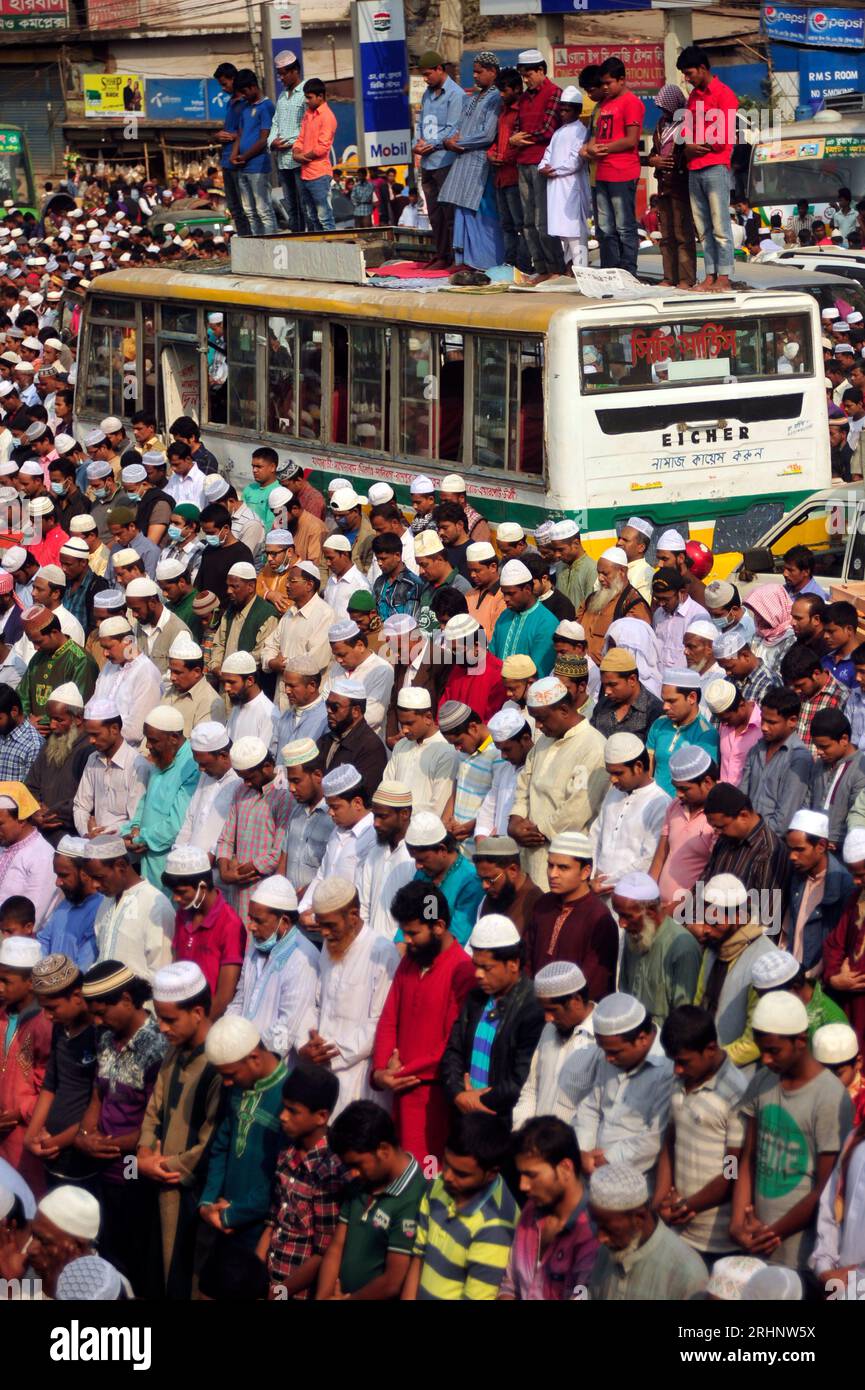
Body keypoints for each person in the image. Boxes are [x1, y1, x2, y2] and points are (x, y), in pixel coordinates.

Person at [732, 991, 852, 1268]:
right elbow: (745, 1159)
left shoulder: (829, 1097)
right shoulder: (763, 1082)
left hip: (799, 1255)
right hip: (755, 1242)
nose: (766, 1060)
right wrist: (737, 1220)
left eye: (774, 1051)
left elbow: (825, 1188)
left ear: (801, 1041)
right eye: (762, 1051)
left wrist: (773, 1232)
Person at [77, 961, 165, 1293]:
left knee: (134, 1249)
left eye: (102, 1012)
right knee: (108, 1246)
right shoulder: (105, 1038)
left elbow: (155, 1121)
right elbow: (98, 1095)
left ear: (127, 999)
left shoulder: (157, 1046)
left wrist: (113, 1145)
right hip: (102, 1162)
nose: (97, 1022)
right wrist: (86, 1136)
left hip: (131, 1166)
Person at [372, 881, 475, 1163]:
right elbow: (389, 1017)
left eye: (413, 932)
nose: (405, 940)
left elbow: (451, 1043)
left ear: (438, 926)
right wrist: (381, 1071)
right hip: (399, 1093)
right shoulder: (411, 961)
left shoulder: (462, 971)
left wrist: (400, 1072)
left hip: (433, 1101)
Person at [137, 961, 221, 1299]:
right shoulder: (174, 1051)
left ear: (198, 1012)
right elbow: (154, 1108)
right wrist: (142, 1156)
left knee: (189, 1280)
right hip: (159, 1182)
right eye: (159, 1017)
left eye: (170, 1019)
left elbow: (210, 1141)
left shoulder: (219, 1062)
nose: (162, 1027)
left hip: (191, 1190)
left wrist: (162, 1167)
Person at [656, 1004, 748, 1261]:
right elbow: (670, 1141)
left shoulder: (736, 1093)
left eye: (683, 1062)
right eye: (673, 1061)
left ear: (710, 1049)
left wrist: (689, 1206)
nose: (676, 1070)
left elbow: (733, 1168)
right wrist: (661, 1199)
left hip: (716, 1242)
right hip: (677, 1232)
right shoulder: (679, 1081)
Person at [442, 914, 544, 1129]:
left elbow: (520, 1078)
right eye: (475, 966)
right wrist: (459, 1094)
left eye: (486, 968)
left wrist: (478, 1102)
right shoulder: (475, 998)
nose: (478, 975)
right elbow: (454, 1051)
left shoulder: (533, 1009)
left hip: (502, 1122)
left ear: (513, 963)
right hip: (466, 1116)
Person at [317, 1101, 428, 1300]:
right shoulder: (362, 1182)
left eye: (357, 1164)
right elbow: (336, 1247)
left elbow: (393, 1282)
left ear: (383, 1150)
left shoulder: (414, 1197)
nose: (353, 1172)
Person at [256, 1059, 346, 1299]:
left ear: (321, 1116)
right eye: (283, 1108)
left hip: (298, 1291)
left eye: (293, 1111)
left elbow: (324, 1252)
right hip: (271, 1281)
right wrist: (254, 1275)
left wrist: (281, 1292)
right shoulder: (286, 1155)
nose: (283, 1117)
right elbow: (273, 1221)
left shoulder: (330, 1171)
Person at [402, 1112, 516, 1301]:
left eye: (461, 1174)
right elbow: (418, 1257)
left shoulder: (496, 1227)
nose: (447, 1176)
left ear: (491, 1173)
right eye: (446, 1164)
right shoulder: (439, 1185)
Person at [509, 675, 608, 890]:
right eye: (534, 718)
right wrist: (515, 821)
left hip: (562, 859)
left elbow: (577, 808)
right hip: (529, 853)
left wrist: (539, 832)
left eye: (542, 718)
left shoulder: (593, 747)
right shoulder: (544, 741)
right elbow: (524, 783)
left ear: (563, 710)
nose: (538, 725)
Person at [199, 1016, 288, 1250]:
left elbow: (282, 1175)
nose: (227, 1083)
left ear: (254, 1058)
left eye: (231, 1075)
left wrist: (234, 1214)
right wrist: (208, 1203)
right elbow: (221, 1146)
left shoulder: (289, 1097)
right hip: (221, 1214)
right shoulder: (237, 1087)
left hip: (261, 1229)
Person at [574, 992, 675, 1175]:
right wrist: (584, 1152)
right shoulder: (611, 1055)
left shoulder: (669, 1069)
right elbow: (590, 1108)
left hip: (635, 1182)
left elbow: (655, 1137)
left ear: (642, 1039)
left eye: (615, 1052)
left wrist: (607, 1160)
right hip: (593, 1173)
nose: (608, 1059)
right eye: (604, 1051)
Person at [499, 1116, 599, 1300]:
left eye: (531, 1175)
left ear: (565, 1168)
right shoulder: (531, 1210)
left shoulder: (592, 1233)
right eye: (521, 1175)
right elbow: (509, 1287)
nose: (523, 1186)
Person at [226, 874, 319, 1060]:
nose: (251, 927)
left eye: (258, 921)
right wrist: (226, 1036)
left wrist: (248, 1055)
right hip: (241, 1058)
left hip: (271, 1066)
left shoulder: (302, 958)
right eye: (250, 918)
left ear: (284, 922)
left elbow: (285, 1029)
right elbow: (239, 1000)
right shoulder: (257, 946)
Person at [692, 871, 778, 1069]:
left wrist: (713, 1061)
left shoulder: (765, 962)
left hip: (740, 1079)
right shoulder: (713, 949)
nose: (705, 929)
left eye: (714, 923)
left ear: (738, 917)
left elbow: (755, 1040)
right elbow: (698, 1004)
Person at [587, 1161, 707, 1300]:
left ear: (639, 1218)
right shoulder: (606, 1250)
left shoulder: (688, 1274)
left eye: (609, 1229)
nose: (601, 1238)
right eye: (596, 1225)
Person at [677, 46, 738, 292]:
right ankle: (710, 275)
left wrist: (693, 144)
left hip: (715, 167)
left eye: (689, 73)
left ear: (702, 69)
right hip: (695, 167)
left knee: (720, 225)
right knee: (703, 228)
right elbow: (685, 130)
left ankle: (724, 275)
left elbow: (722, 138)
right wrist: (688, 146)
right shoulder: (693, 97)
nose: (687, 78)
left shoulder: (725, 94)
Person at [161, 846, 245, 1020]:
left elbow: (224, 997)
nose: (175, 898)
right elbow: (177, 967)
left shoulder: (230, 924)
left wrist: (198, 1030)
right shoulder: (183, 915)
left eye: (181, 892)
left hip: (209, 1024)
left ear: (202, 886)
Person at [120, 706, 200, 890]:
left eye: (153, 740)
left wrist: (142, 839)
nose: (147, 745)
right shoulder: (164, 755)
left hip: (166, 860)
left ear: (173, 738)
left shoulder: (191, 766)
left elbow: (176, 824)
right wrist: (134, 828)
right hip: (145, 854)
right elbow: (146, 800)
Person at [439, 53, 504, 272]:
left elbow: (487, 135)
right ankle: (465, 260)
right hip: (464, 161)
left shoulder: (496, 98)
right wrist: (448, 141)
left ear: (493, 72)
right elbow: (459, 126)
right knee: (463, 210)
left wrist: (461, 143)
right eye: (474, 71)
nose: (475, 76)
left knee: (482, 212)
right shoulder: (472, 97)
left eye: (479, 72)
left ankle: (486, 261)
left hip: (481, 164)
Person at [512, 961, 596, 1127]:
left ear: (576, 1000)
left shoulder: (600, 1041)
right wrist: (522, 1133)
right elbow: (531, 1088)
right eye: (544, 1010)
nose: (547, 1018)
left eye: (553, 1010)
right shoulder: (549, 1030)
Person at [582, 57, 644, 276]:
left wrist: (603, 148)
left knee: (624, 227)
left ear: (622, 79)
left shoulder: (631, 102)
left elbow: (631, 139)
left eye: (609, 83)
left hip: (622, 172)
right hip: (602, 173)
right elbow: (594, 136)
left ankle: (628, 272)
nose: (605, 88)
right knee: (605, 228)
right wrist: (591, 149)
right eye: (603, 84)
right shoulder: (603, 104)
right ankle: (609, 271)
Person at [615, 870, 701, 1028]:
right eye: (619, 916)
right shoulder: (632, 935)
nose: (622, 924)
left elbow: (684, 1015)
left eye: (627, 916)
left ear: (651, 912)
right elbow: (625, 991)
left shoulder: (682, 947)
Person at [0, 935, 51, 1195]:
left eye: (6, 981)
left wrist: (20, 1111)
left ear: (30, 983)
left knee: (27, 1204)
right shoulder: (1, 1016)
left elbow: (49, 1086)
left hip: (25, 1136)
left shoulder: (44, 1023)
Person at [590, 733, 670, 897]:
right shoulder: (614, 793)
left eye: (618, 773)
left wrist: (607, 881)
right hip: (595, 888)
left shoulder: (660, 802)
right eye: (610, 773)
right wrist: (590, 876)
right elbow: (595, 835)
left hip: (631, 894)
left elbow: (649, 858)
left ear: (639, 766)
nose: (612, 779)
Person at [511, 50, 565, 279]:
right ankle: (541, 268)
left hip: (542, 164)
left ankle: (555, 268)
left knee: (543, 220)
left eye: (529, 74)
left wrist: (520, 138)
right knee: (528, 222)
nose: (526, 80)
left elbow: (547, 130)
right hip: (523, 163)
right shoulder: (523, 99)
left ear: (541, 70)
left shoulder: (554, 93)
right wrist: (517, 138)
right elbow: (515, 127)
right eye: (523, 75)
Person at [739, 686, 813, 835]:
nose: (764, 727)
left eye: (772, 722)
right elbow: (742, 796)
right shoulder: (757, 749)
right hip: (748, 835)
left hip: (773, 843)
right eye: (763, 721)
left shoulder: (799, 758)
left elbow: (784, 818)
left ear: (792, 721)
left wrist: (756, 837)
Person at [414, 53, 464, 270]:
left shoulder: (456, 94)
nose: (425, 79)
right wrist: (416, 144)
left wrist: (431, 144)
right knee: (434, 213)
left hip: (446, 161)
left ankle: (455, 257)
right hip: (427, 162)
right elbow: (420, 123)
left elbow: (453, 128)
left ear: (439, 68)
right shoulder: (427, 94)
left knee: (449, 213)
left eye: (427, 74)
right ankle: (441, 254)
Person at [538, 86, 591, 273]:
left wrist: (555, 170)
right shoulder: (558, 132)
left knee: (577, 232)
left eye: (567, 110)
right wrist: (543, 168)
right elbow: (547, 154)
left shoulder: (581, 131)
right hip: (556, 187)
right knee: (563, 233)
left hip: (572, 187)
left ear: (577, 111)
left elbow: (575, 161)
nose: (563, 113)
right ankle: (570, 270)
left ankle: (582, 270)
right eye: (561, 109)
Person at [383, 688, 457, 819]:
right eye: (401, 724)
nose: (404, 730)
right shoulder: (401, 745)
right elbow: (386, 787)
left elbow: (438, 805)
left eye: (409, 723)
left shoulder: (446, 751)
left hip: (425, 832)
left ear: (428, 717)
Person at [648, 83, 695, 289]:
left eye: (666, 107)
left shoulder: (687, 124)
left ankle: (686, 278)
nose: (664, 111)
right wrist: (654, 161)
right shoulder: (661, 125)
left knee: (682, 234)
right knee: (665, 235)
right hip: (663, 186)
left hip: (680, 185)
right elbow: (652, 153)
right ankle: (669, 277)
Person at [646, 667, 719, 796]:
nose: (665, 707)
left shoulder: (706, 734)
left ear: (692, 697)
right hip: (653, 805)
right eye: (664, 700)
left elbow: (704, 784)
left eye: (672, 701)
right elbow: (648, 769)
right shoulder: (659, 724)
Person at [0, 781, 60, 928]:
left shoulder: (42, 856)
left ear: (21, 820)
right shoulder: (5, 846)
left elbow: (33, 915)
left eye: (0, 824)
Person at [488, 68, 530, 273]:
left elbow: (522, 143)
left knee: (520, 225)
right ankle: (510, 264)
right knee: (507, 224)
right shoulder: (503, 112)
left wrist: (503, 157)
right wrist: (492, 154)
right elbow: (497, 140)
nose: (501, 94)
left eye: (504, 90)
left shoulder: (522, 111)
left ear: (516, 88)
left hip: (515, 176)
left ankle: (522, 266)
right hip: (501, 176)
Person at [36, 835, 100, 970]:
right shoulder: (65, 904)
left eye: (64, 875)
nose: (57, 882)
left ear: (85, 873)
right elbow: (43, 941)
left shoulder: (100, 910)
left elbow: (82, 967)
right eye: (57, 875)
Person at [231, 70, 278, 236]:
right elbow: (241, 134)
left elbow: (264, 139)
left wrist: (245, 156)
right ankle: (256, 245)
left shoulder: (266, 106)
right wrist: (234, 156)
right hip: (243, 167)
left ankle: (270, 244)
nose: (243, 96)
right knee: (249, 211)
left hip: (258, 165)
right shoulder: (246, 108)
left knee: (263, 210)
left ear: (253, 87)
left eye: (244, 91)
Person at [472, 833, 542, 935]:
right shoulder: (490, 897)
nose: (484, 886)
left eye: (490, 880)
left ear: (513, 870)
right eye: (481, 879)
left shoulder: (538, 904)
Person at [268, 51, 306, 234]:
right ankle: (297, 239)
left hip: (299, 158)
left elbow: (308, 126)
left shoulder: (306, 92)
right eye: (279, 74)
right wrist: (272, 143)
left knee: (304, 204)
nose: (281, 78)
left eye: (284, 73)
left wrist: (290, 143)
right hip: (283, 161)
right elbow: (275, 123)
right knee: (292, 207)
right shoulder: (282, 97)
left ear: (295, 71)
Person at [293, 79, 337, 233]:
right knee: (312, 217)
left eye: (309, 97)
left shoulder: (327, 117)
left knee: (324, 217)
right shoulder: (308, 114)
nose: (307, 101)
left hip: (319, 174)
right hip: (305, 174)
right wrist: (296, 152)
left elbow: (322, 147)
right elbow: (300, 138)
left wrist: (302, 156)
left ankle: (331, 250)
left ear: (320, 96)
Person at [591, 647, 663, 742]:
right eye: (604, 685)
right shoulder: (603, 704)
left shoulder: (654, 710)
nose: (607, 691)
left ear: (632, 680)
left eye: (612, 685)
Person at [703, 679, 762, 786]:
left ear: (742, 704)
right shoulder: (725, 724)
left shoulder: (763, 727)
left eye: (727, 719)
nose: (724, 723)